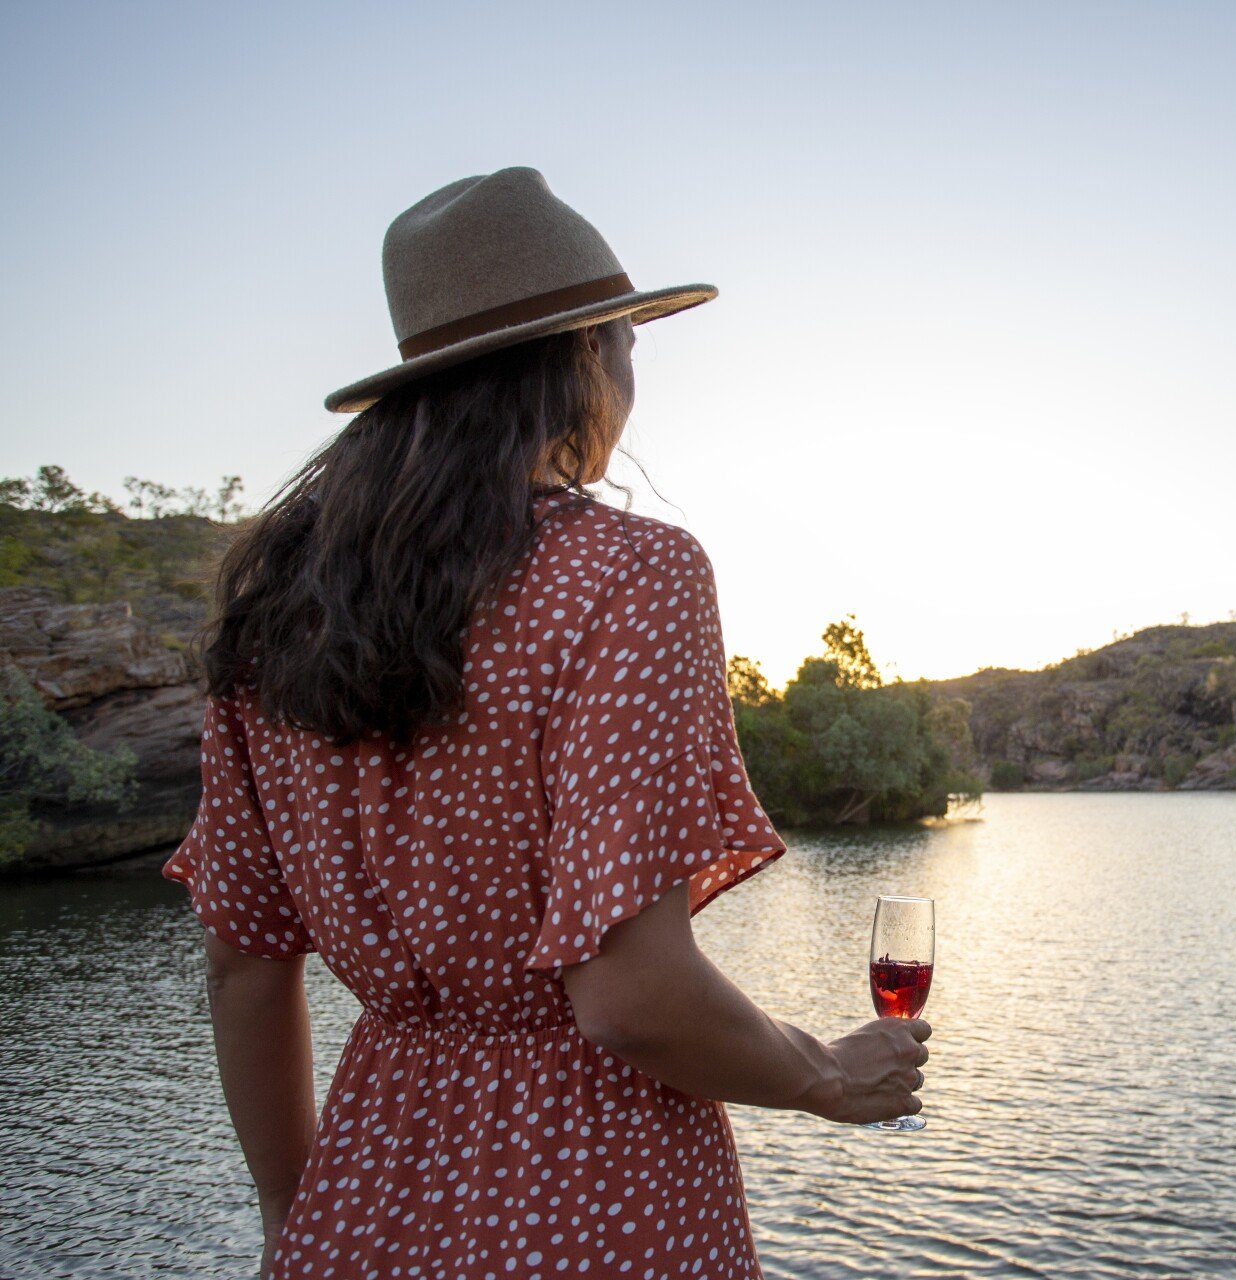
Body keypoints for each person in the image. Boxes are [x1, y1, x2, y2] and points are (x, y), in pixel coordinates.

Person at [161, 166, 930, 1280]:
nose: (632, 376)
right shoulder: (629, 572)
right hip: (601, 1188)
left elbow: (242, 965)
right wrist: (822, 1074)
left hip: (366, 1185)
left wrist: (298, 1211)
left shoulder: (279, 606)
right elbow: (630, 995)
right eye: (627, 343)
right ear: (581, 358)